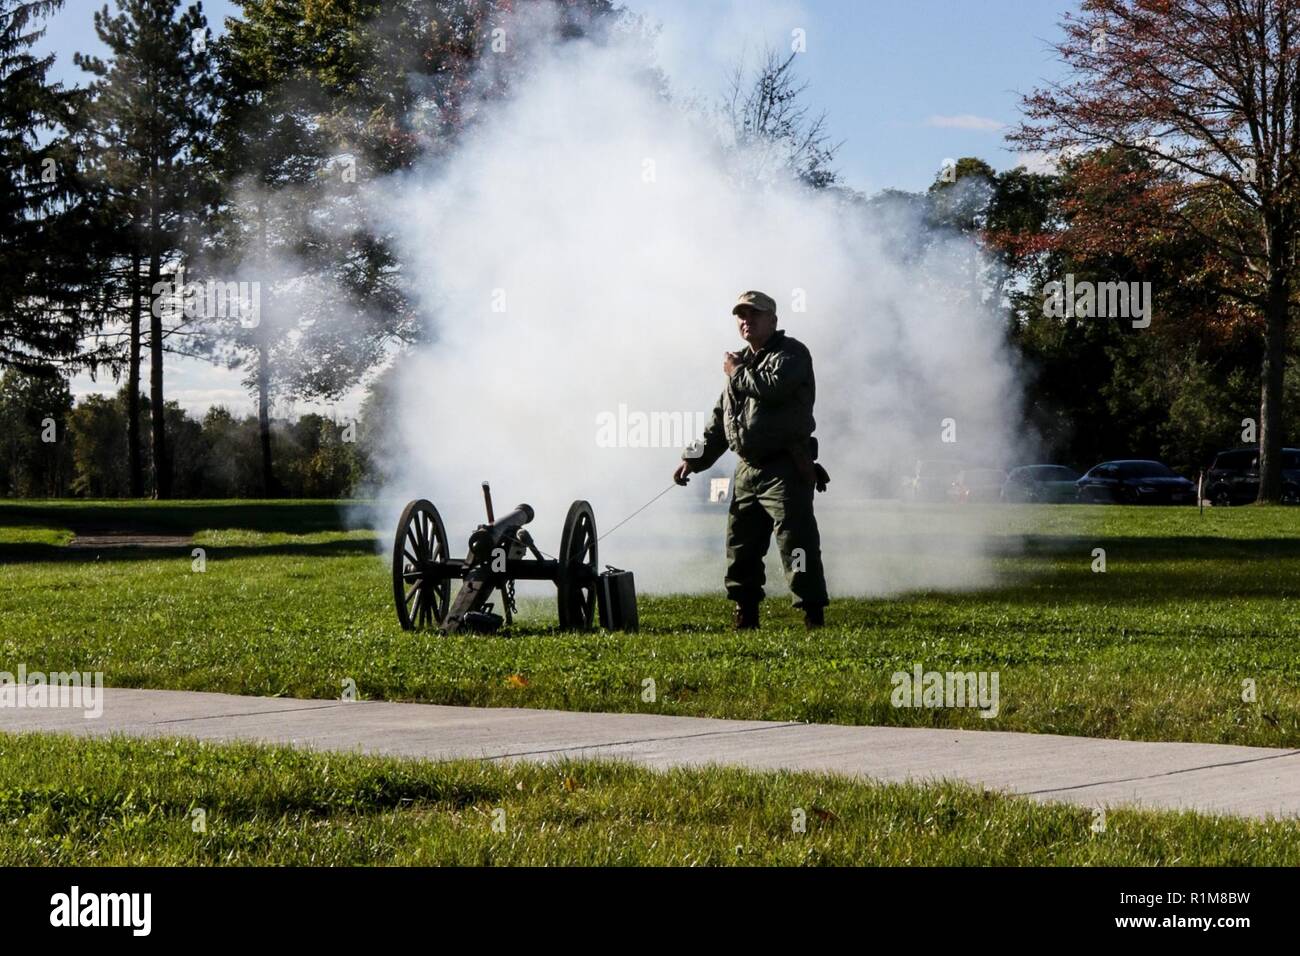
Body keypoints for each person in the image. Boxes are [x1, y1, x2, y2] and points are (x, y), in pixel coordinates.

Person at [673, 290, 829, 629]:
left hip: (786, 466)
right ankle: (746, 613)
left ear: (772, 320)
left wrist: (735, 371)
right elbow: (720, 422)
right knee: (740, 545)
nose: (747, 320)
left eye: (754, 314)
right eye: (742, 315)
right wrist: (693, 459)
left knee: (795, 542)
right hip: (748, 469)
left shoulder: (792, 354)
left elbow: (771, 387)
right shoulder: (740, 364)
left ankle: (811, 612)